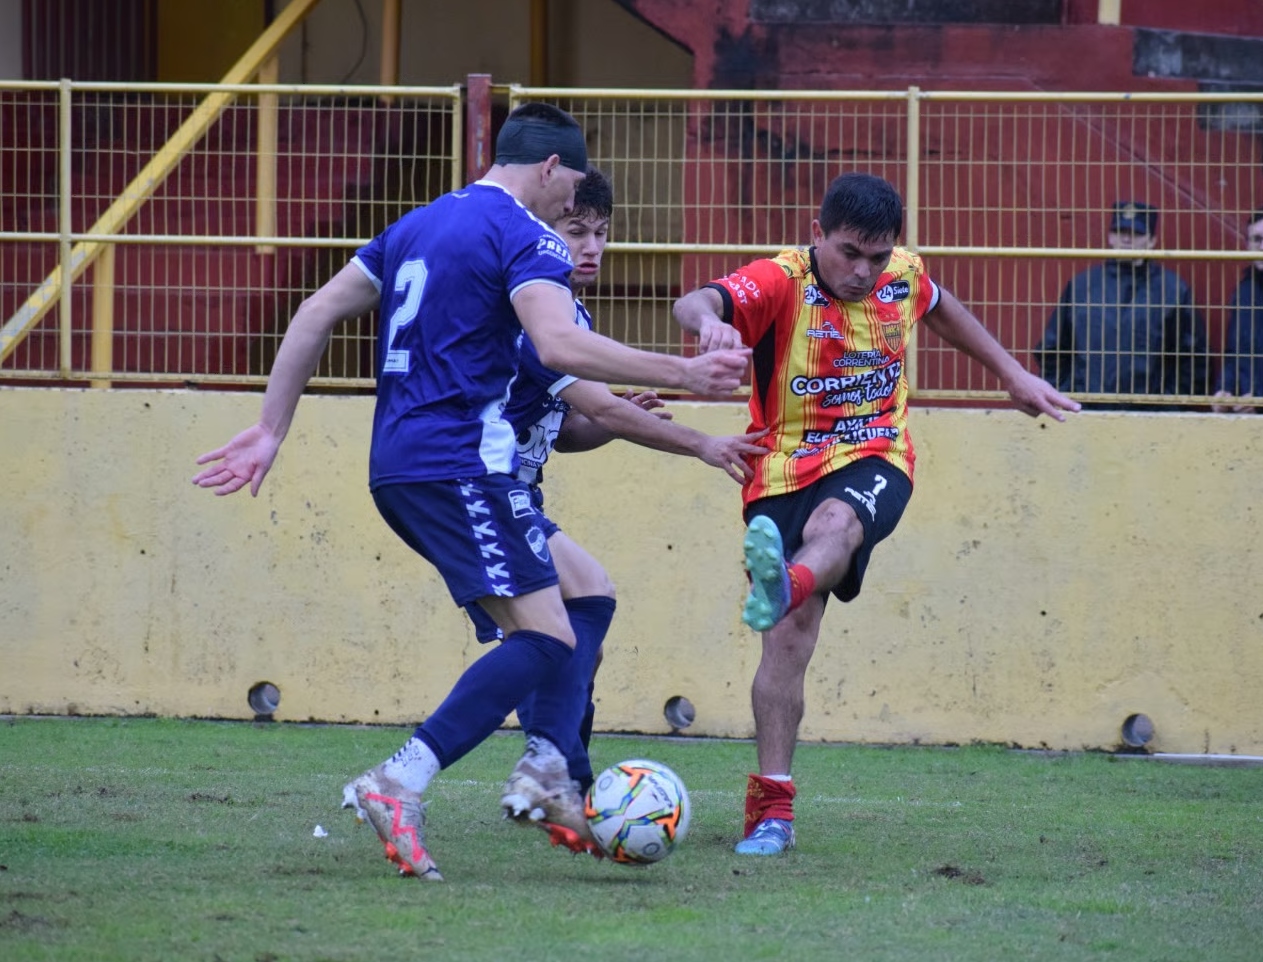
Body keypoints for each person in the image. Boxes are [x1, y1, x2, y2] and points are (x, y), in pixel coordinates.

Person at [192, 102, 750, 882]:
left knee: (584, 591)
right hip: (460, 464)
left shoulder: (416, 226)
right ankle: (401, 781)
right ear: (553, 169)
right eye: (572, 194)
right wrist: (683, 372)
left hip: (407, 461)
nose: (572, 216)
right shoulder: (524, 234)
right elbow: (557, 346)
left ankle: (550, 768)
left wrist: (269, 429)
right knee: (546, 639)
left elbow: (316, 310)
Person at [672, 171, 1080, 856]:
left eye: (877, 255)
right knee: (789, 641)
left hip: (873, 454)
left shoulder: (903, 275)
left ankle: (785, 584)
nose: (863, 271)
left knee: (836, 527)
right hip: (777, 466)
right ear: (816, 235)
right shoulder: (781, 278)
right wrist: (712, 324)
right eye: (848, 252)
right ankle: (771, 811)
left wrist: (1012, 374)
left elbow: (942, 307)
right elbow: (695, 300)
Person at [462, 166, 765, 838]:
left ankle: (560, 778)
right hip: (487, 491)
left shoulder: (568, 309)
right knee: (582, 606)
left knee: (573, 643)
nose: (592, 246)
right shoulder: (543, 309)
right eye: (576, 231)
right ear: (544, 229)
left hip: (511, 491)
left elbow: (567, 428)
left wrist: (612, 414)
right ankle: (548, 772)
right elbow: (595, 403)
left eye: (601, 233)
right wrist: (700, 443)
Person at [1035, 200, 1209, 409]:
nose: (1127, 239)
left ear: (1152, 241)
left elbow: (1193, 357)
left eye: (1136, 233)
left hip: (1150, 419)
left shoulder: (1172, 290)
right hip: (1088, 414)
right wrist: (1070, 397)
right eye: (1120, 231)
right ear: (1110, 236)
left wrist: (1168, 406)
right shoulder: (1083, 286)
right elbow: (1051, 349)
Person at [1212, 209, 1263, 413]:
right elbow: (1236, 354)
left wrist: (1259, 399)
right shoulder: (1245, 291)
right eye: (1256, 239)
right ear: (1247, 244)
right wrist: (1224, 390)